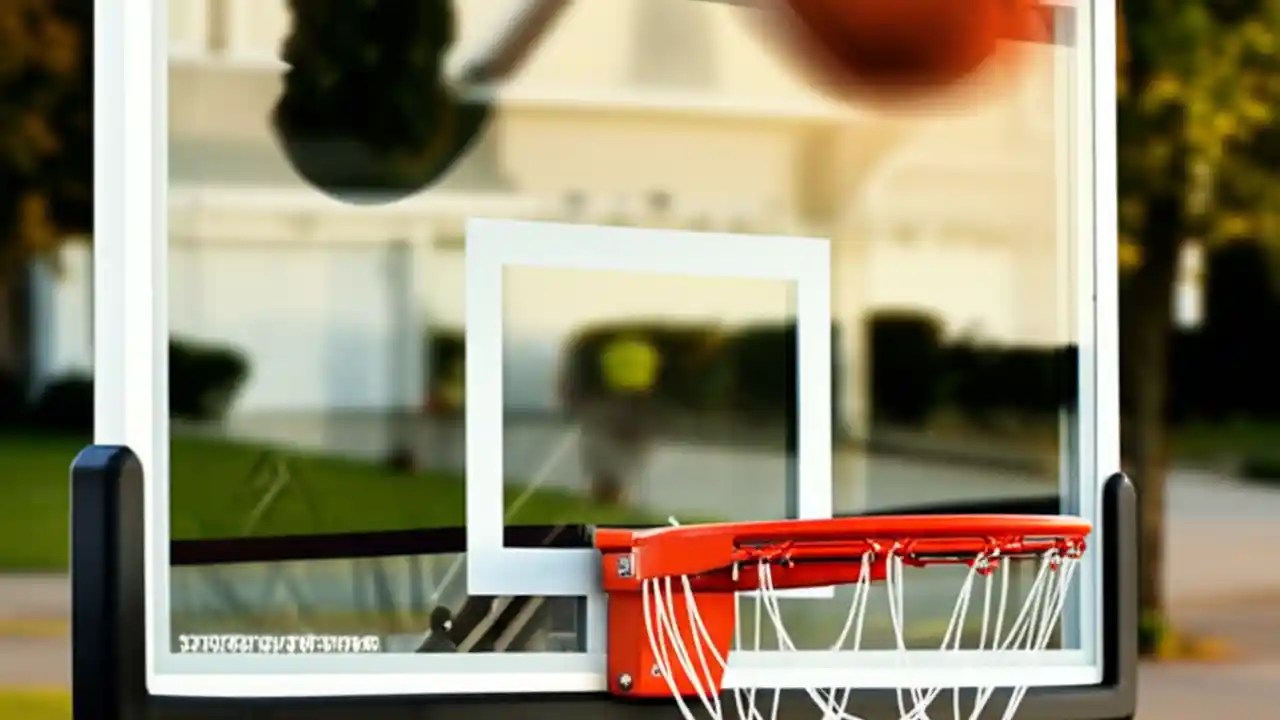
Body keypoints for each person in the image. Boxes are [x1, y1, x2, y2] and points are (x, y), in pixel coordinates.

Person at [578, 333, 661, 506]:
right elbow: (652, 371)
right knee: (633, 444)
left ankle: (607, 488)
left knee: (612, 442)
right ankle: (617, 490)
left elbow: (605, 371)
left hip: (616, 395)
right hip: (641, 397)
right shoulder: (647, 350)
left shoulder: (610, 350)